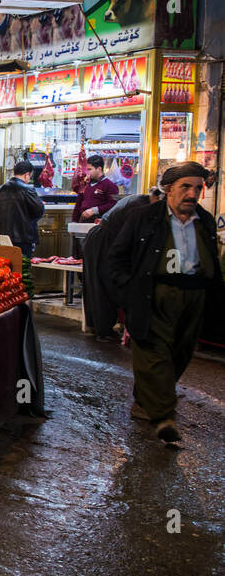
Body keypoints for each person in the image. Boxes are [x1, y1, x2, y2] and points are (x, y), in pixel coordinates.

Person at [104, 162, 222, 447]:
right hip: (154, 294)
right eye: (186, 187)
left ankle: (144, 402)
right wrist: (127, 293)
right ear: (169, 189)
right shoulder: (143, 218)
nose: (192, 193)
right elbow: (116, 259)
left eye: (198, 187)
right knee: (154, 352)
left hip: (193, 295)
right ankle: (164, 417)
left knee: (179, 352)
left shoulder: (204, 220)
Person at [82, 185, 163, 337]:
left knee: (100, 281)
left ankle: (99, 326)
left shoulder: (140, 200)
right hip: (102, 240)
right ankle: (102, 329)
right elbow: (132, 235)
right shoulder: (140, 205)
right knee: (103, 283)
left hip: (101, 238)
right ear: (157, 199)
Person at [0, 160, 45, 260]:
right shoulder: (27, 189)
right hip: (23, 239)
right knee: (22, 268)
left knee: (6, 267)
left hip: (2, 239)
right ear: (27, 175)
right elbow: (39, 211)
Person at [71, 154, 118, 224]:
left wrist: (95, 210)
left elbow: (113, 205)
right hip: (83, 222)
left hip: (100, 224)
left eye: (90, 169)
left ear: (99, 169)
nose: (87, 172)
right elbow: (78, 205)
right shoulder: (85, 184)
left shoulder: (110, 185)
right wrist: (74, 222)